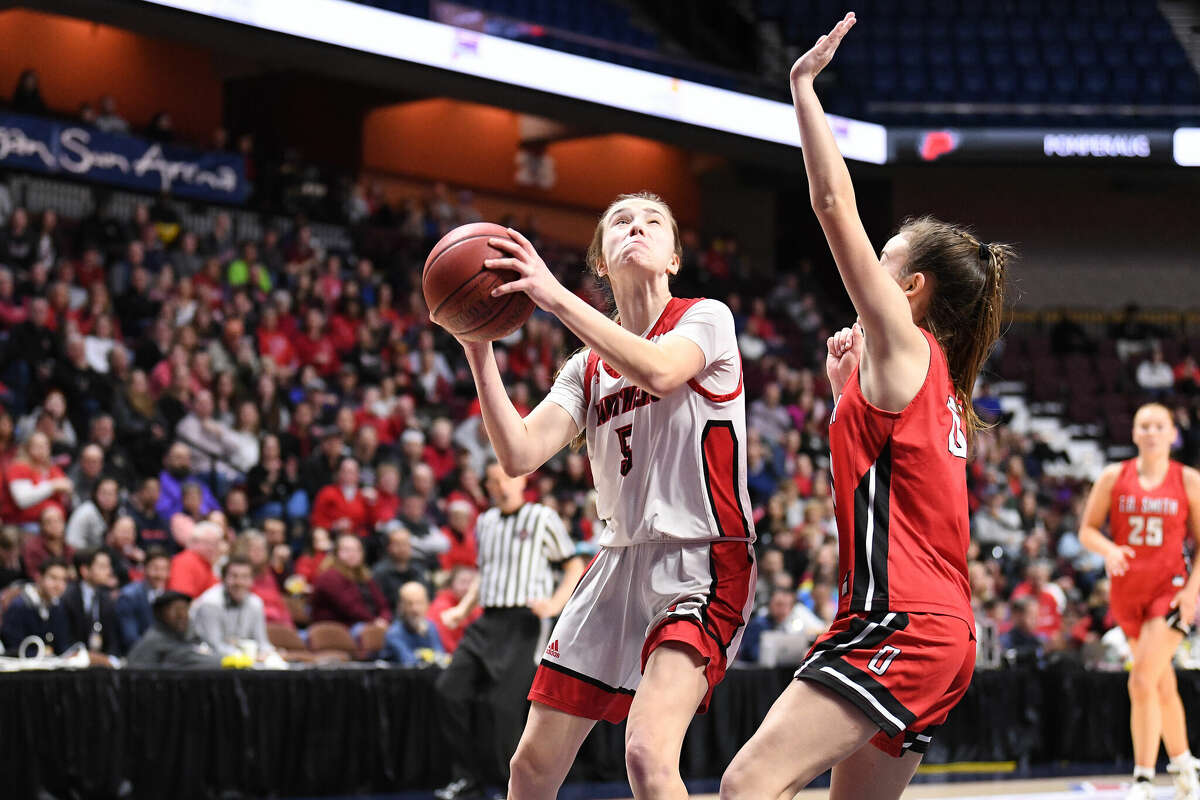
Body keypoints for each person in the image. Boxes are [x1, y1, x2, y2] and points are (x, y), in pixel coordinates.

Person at [720, 15, 1008, 800]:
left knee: (747, 783)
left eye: (886, 262)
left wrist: (803, 90)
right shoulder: (931, 371)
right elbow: (886, 478)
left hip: (901, 619)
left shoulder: (907, 342)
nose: (871, 272)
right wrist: (839, 395)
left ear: (909, 288)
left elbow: (830, 203)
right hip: (938, 626)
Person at [444, 183, 760, 800]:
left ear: (673, 258)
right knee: (530, 766)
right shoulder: (586, 367)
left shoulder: (706, 319)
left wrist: (553, 297)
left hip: (703, 559)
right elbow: (518, 455)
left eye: (652, 222)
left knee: (645, 753)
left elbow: (661, 371)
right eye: (619, 222)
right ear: (601, 259)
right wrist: (478, 349)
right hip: (616, 563)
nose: (635, 227)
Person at [434, 464, 583, 800]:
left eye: (505, 478)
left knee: (503, 708)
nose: (499, 486)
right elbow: (484, 572)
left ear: (522, 480)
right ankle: (466, 778)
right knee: (449, 691)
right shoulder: (484, 522)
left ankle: (511, 788)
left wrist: (555, 603)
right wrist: (462, 609)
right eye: (493, 480)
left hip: (524, 623)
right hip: (486, 621)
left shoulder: (542, 517)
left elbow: (573, 564)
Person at [1079, 402, 1200, 800]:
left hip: (1170, 593)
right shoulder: (1114, 476)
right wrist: (1109, 550)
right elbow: (1087, 531)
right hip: (1127, 594)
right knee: (1160, 685)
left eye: (1158, 425)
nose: (1150, 432)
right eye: (1143, 425)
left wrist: (1191, 592)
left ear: (1172, 434)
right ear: (1133, 433)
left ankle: (1143, 779)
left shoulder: (1188, 480)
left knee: (1141, 679)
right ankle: (1185, 766)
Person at [190, 555, 274, 659]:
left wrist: (267, 653)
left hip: (243, 661)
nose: (239, 582)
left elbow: (263, 643)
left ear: (252, 581)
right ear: (223, 579)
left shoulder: (256, 604)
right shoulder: (210, 603)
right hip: (207, 662)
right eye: (234, 576)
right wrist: (247, 656)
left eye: (245, 577)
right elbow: (214, 646)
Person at [309, 534, 390, 635]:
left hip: (367, 624)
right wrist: (375, 622)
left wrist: (384, 619)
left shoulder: (364, 576)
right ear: (336, 553)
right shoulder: (330, 577)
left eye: (357, 550)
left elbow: (382, 604)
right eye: (347, 550)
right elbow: (351, 608)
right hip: (339, 629)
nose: (353, 554)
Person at [125, 590, 223, 668]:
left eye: (184, 609)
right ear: (159, 613)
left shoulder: (190, 635)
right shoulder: (153, 641)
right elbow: (186, 657)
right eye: (174, 609)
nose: (181, 615)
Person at [0, 557, 70, 655]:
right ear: (39, 577)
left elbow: (62, 645)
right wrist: (40, 653)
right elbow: (12, 647)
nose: (59, 585)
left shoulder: (58, 606)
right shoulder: (20, 605)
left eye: (63, 580)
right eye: (53, 578)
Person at [61, 548, 121, 656]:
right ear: (85, 570)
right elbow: (65, 640)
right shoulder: (67, 598)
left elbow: (113, 640)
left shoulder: (106, 599)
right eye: (103, 567)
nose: (109, 572)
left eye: (109, 566)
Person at [116, 547, 171, 652]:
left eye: (164, 569)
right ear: (145, 569)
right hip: (139, 658)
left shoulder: (170, 598)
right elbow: (131, 639)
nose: (160, 575)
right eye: (155, 569)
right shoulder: (129, 596)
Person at [380, 581, 445, 666]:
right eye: (409, 604)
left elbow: (440, 658)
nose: (415, 609)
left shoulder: (431, 627)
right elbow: (410, 663)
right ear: (401, 607)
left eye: (419, 603)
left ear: (428, 604)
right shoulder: (394, 633)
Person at [167, 520, 223, 598]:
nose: (212, 548)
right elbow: (181, 598)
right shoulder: (185, 562)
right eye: (208, 543)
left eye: (216, 544)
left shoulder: (205, 562)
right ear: (193, 542)